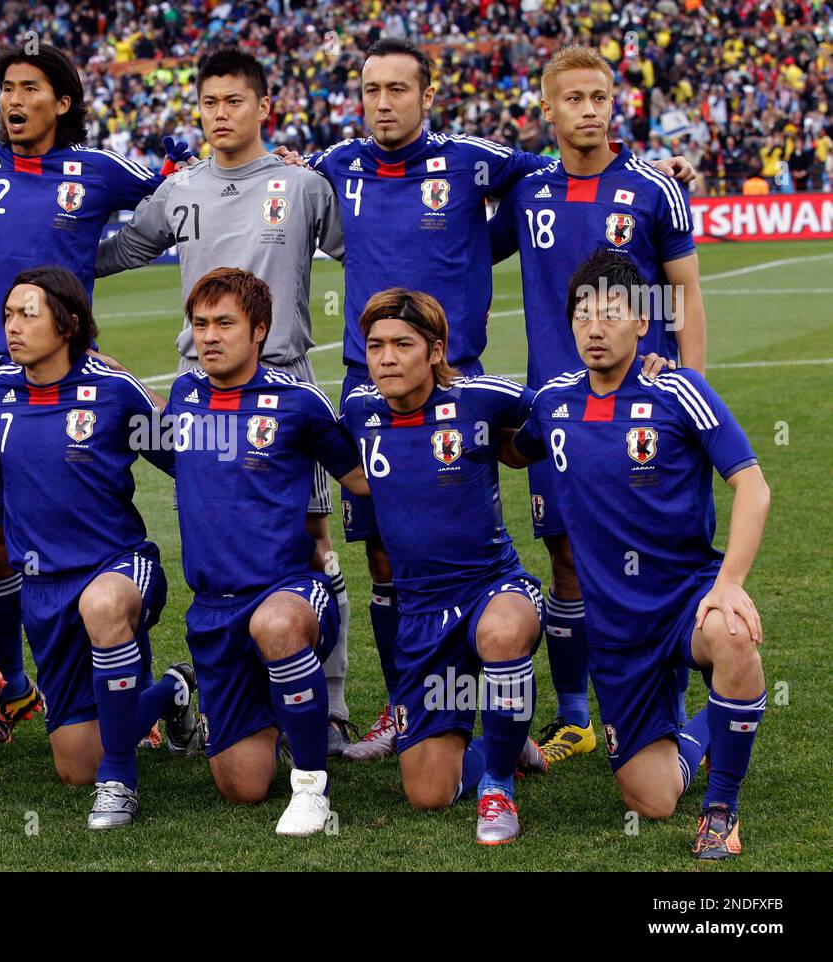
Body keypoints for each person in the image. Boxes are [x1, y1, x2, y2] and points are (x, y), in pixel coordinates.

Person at [283, 38, 697, 763]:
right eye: (371, 88)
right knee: (386, 550)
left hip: (466, 383)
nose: (384, 101)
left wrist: (653, 169)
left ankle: (584, 710)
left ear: (427, 94)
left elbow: (575, 168)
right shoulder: (337, 164)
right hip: (367, 381)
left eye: (398, 88)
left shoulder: (480, 161)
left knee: (517, 546)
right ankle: (410, 710)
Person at [0, 45, 186, 740]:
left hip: (69, 380)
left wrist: (185, 160)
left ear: (61, 102)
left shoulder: (96, 170)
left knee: (89, 529)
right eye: (5, 87)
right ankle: (16, 685)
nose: (11, 100)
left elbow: (171, 195)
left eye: (28, 88)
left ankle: (136, 688)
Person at [96, 48, 357, 754]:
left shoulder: (303, 186)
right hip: (200, 395)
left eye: (233, 101)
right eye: (209, 103)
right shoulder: (180, 189)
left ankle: (326, 708)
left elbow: (363, 245)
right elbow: (118, 252)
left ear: (262, 106)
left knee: (312, 540)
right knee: (216, 549)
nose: (219, 115)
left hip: (287, 388)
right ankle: (219, 695)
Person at [507, 252, 770, 859]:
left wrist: (728, 584)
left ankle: (721, 809)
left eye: (610, 314)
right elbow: (515, 450)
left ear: (642, 323)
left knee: (731, 635)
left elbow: (753, 487)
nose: (594, 328)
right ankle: (710, 726)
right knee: (649, 801)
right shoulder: (552, 402)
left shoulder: (678, 389)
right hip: (617, 627)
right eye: (583, 315)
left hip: (685, 597)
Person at [488, 44, 706, 765]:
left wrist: (691, 393)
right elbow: (460, 241)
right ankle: (576, 714)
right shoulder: (526, 190)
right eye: (574, 98)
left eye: (601, 98)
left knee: (653, 556)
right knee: (568, 559)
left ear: (615, 105)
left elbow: (684, 296)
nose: (589, 111)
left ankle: (669, 711)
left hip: (644, 410)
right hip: (558, 409)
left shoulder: (653, 188)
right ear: (546, 108)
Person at [0, 266, 201, 828]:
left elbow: (185, 458)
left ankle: (121, 780)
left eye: (28, 314)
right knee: (76, 764)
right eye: (9, 314)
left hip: (118, 567)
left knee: (102, 608)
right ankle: (173, 691)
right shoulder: (1, 386)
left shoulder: (111, 388)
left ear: (69, 322)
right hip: (43, 588)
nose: (14, 325)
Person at [340, 288, 547, 844]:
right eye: (375, 345)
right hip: (422, 613)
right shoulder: (358, 411)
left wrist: (647, 374)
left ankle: (498, 785)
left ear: (434, 351)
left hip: (493, 588)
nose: (385, 357)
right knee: (427, 795)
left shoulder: (481, 398)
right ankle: (505, 736)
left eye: (402, 344)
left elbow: (559, 409)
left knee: (504, 634)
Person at [166, 268, 368, 836]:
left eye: (224, 323)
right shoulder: (186, 393)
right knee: (243, 789)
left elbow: (360, 479)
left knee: (278, 626)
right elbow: (177, 455)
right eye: (200, 324)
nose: (208, 336)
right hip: (213, 608)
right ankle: (238, 707)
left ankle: (311, 787)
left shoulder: (299, 401)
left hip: (290, 592)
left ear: (258, 330)